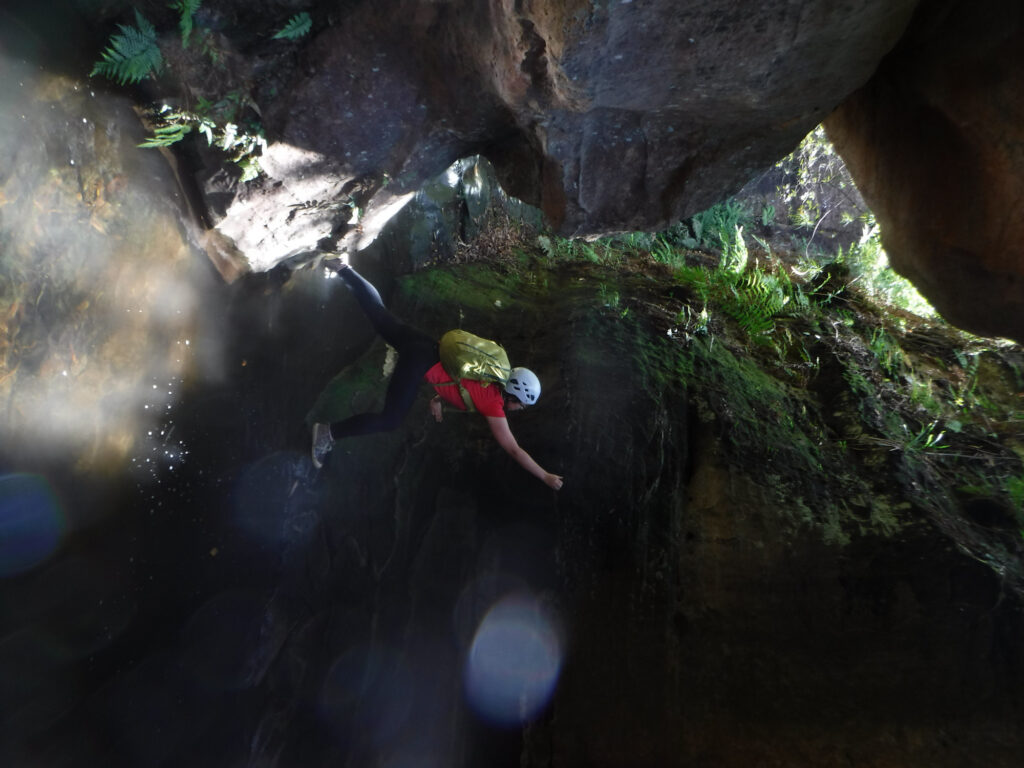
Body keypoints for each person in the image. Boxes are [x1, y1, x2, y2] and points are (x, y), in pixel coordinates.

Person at [310, 257, 564, 490]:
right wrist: (545, 476)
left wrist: (438, 400)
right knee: (390, 420)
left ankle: (342, 268)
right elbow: (514, 450)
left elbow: (462, 384)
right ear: (514, 395)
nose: (519, 409)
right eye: (521, 404)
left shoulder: (492, 376)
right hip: (419, 361)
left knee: (381, 316)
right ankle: (327, 433)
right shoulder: (493, 405)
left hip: (427, 346)